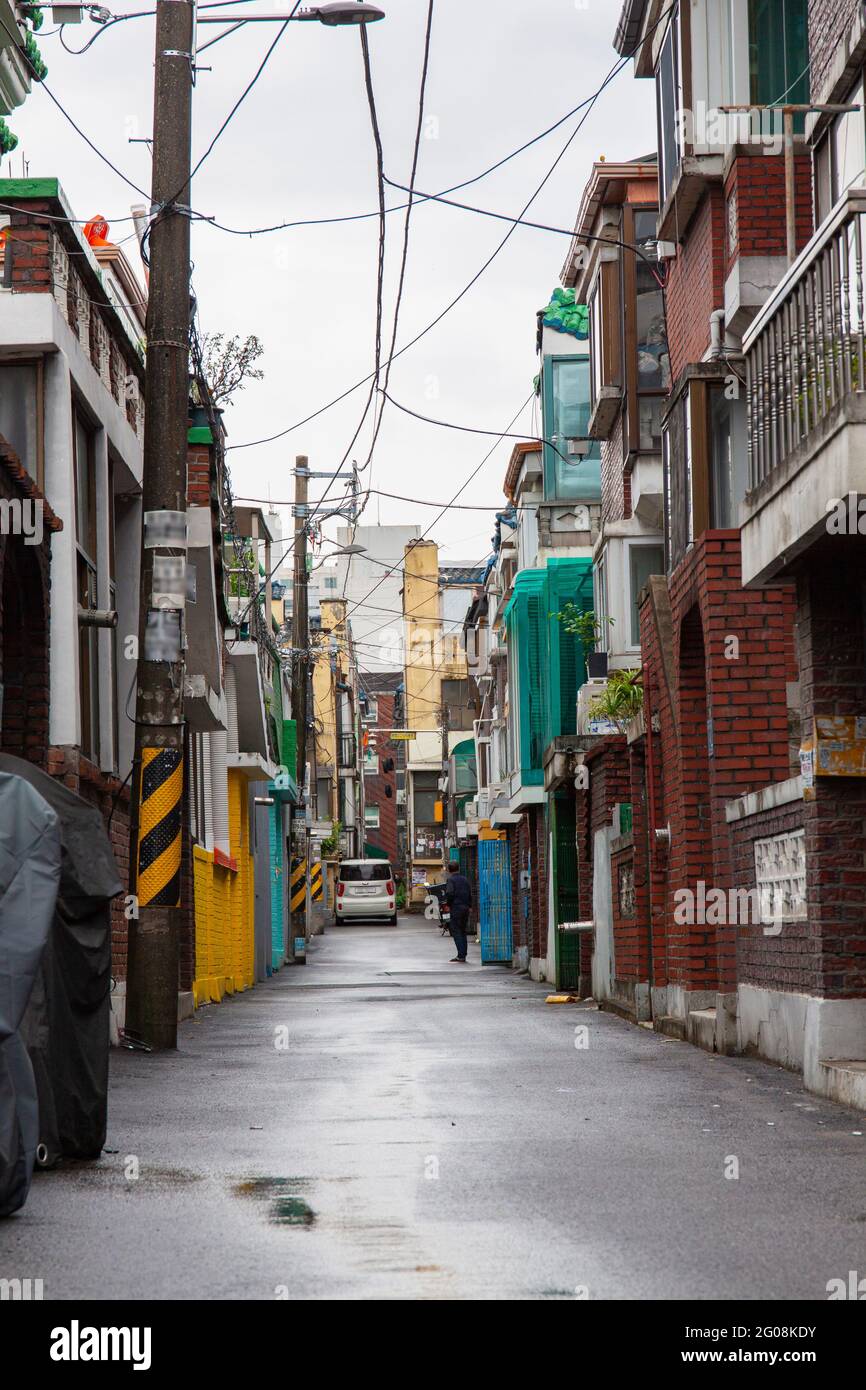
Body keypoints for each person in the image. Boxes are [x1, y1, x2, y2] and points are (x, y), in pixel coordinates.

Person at [443, 862, 472, 963]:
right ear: (458, 868)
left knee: (456, 931)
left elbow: (450, 893)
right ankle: (463, 954)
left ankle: (460, 955)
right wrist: (470, 906)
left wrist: (448, 904)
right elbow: (469, 892)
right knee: (463, 931)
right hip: (465, 908)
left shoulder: (451, 880)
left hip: (456, 908)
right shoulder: (465, 879)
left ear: (449, 870)